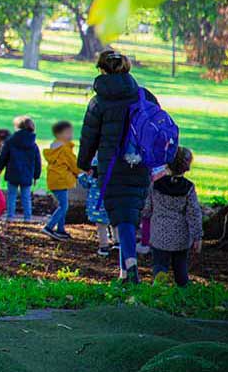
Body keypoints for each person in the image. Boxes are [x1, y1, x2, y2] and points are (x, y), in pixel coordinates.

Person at [77, 50, 160, 284]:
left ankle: (129, 265)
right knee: (130, 214)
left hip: (111, 166)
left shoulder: (98, 102)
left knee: (119, 216)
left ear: (102, 69)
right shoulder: (144, 96)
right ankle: (125, 270)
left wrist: (83, 164)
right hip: (139, 164)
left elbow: (88, 137)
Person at [143, 147, 203, 287]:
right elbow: (194, 213)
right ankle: (182, 289)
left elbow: (146, 208)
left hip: (159, 234)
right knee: (180, 266)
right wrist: (197, 236)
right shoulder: (188, 188)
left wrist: (144, 230)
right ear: (186, 167)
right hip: (181, 237)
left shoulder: (156, 185)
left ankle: (159, 288)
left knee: (159, 265)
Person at [0, 115, 41, 221]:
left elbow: (4, 156)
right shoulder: (33, 144)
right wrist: (36, 175)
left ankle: (10, 216)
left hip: (13, 173)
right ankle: (27, 217)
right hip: (27, 174)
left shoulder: (10, 142)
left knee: (11, 195)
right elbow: (37, 161)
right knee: (26, 197)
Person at [42, 121, 81, 241]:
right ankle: (49, 227)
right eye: (68, 132)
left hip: (54, 180)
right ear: (59, 134)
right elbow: (73, 164)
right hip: (61, 180)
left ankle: (61, 230)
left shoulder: (54, 146)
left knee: (62, 205)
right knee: (64, 206)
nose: (71, 135)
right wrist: (82, 172)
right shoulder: (64, 149)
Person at [79, 158, 114, 257]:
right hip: (110, 206)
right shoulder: (110, 179)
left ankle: (104, 247)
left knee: (101, 227)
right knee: (114, 223)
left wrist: (86, 173)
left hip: (97, 209)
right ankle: (117, 242)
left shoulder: (92, 180)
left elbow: (82, 181)